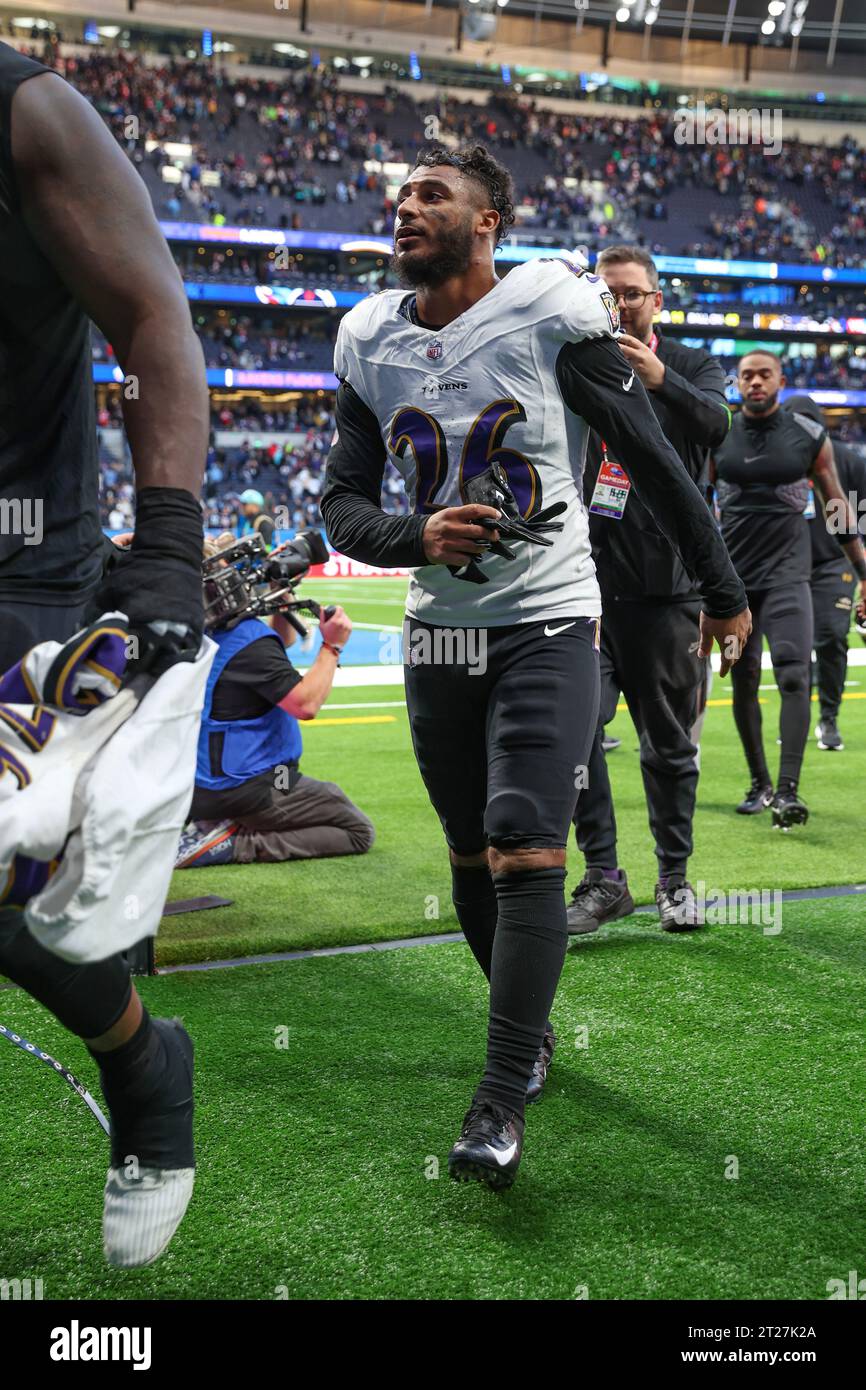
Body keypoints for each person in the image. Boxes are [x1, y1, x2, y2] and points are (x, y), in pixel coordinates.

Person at [321, 143, 751, 1190]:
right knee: (470, 858)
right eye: (400, 194)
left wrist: (723, 589)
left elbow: (651, 456)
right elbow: (339, 506)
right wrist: (416, 534)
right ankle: (529, 1037)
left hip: (547, 621)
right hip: (441, 634)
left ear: (487, 223)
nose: (404, 206)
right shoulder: (366, 339)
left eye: (432, 194)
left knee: (523, 847)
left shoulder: (550, 310)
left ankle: (500, 1092)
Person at [0, 42, 208, 1267]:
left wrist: (170, 540)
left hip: (19, 557)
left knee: (8, 883)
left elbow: (152, 316)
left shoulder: (29, 114)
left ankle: (140, 1060)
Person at [567, 245, 732, 936]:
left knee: (667, 747)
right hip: (587, 592)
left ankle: (673, 881)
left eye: (634, 293)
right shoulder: (575, 361)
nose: (622, 303)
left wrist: (663, 379)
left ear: (656, 302)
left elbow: (718, 426)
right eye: (610, 292)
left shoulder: (691, 364)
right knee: (572, 729)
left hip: (669, 595)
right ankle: (603, 877)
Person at [710, 353, 866, 827]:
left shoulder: (808, 436)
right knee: (743, 678)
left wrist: (862, 570)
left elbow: (836, 505)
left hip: (788, 579)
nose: (755, 382)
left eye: (764, 374)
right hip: (734, 584)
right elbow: (698, 503)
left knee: (796, 675)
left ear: (780, 380)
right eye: (747, 375)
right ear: (736, 383)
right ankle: (759, 783)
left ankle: (787, 791)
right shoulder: (718, 433)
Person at [176, 540, 374, 867]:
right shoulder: (248, 643)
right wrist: (332, 647)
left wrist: (281, 597)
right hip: (245, 788)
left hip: (199, 785)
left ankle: (213, 823)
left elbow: (280, 646)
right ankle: (235, 844)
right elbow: (305, 704)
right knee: (357, 829)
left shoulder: (201, 634)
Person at [784, 395, 866, 753]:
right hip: (784, 564)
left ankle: (828, 716)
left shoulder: (847, 461)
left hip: (834, 563)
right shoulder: (777, 461)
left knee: (832, 636)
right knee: (792, 647)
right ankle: (796, 717)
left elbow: (860, 515)